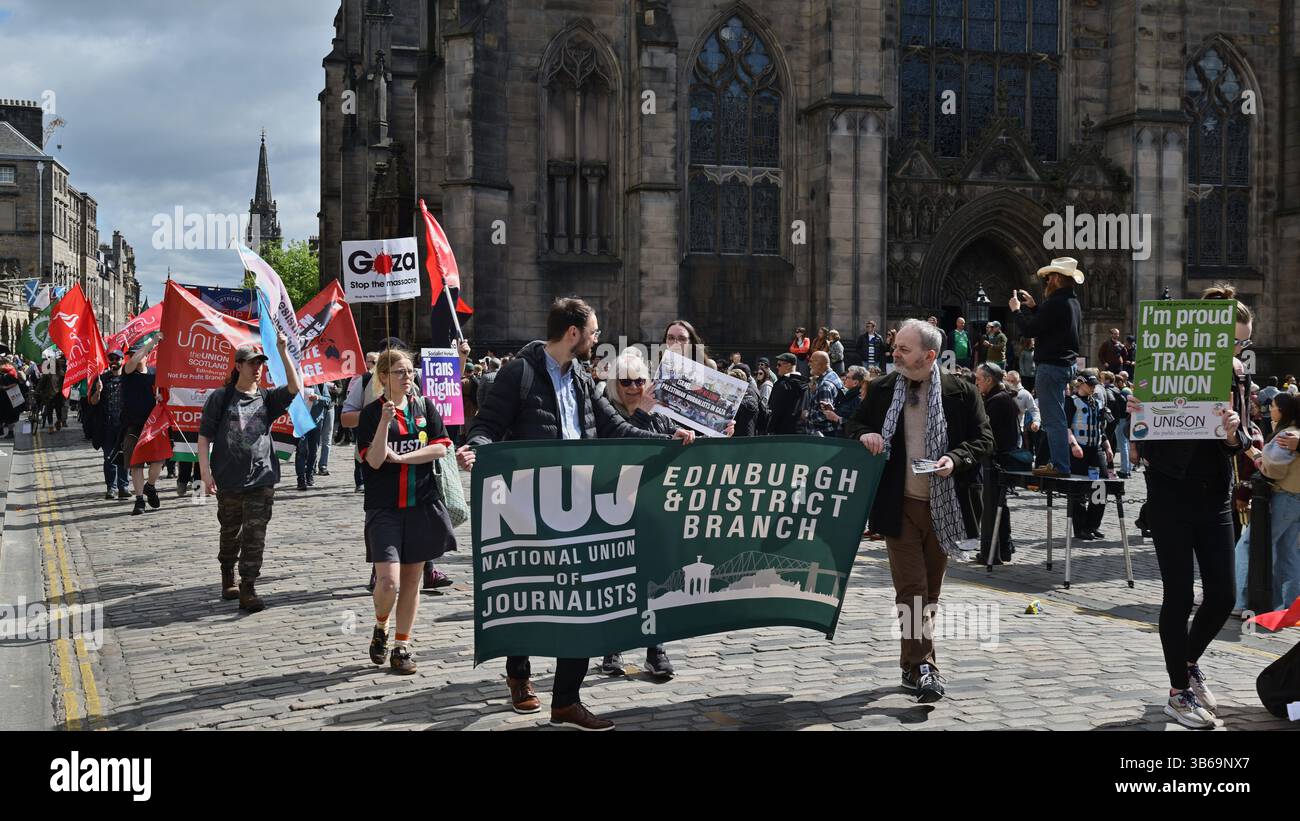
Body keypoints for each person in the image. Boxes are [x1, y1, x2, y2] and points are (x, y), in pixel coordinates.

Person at [465, 297, 695, 731]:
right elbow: (486, 427)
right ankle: (519, 674)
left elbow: (613, 428)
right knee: (530, 594)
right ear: (573, 333)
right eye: (593, 332)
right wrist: (477, 450)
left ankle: (566, 702)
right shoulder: (520, 373)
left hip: (581, 504)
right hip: (530, 504)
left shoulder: (583, 379)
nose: (597, 338)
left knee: (583, 601)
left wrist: (662, 442)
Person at [846, 319, 993, 703]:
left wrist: (954, 458)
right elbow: (854, 423)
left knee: (930, 592)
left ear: (929, 356)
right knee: (912, 589)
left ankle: (910, 666)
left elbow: (984, 438)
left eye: (903, 349)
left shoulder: (961, 391)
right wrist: (864, 434)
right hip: (899, 505)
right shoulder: (881, 389)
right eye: (895, 346)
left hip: (945, 506)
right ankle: (925, 667)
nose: (894, 353)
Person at [1131, 285, 1251, 729]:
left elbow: (1244, 438)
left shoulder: (1237, 375)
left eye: (1244, 343)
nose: (1238, 351)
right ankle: (1178, 693)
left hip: (1215, 492)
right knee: (1179, 596)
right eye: (1234, 341)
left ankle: (1188, 663)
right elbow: (1141, 435)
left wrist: (1234, 432)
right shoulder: (1163, 365)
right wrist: (1138, 413)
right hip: (1170, 491)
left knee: (1223, 595)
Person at [358, 347, 464, 675]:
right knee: (388, 582)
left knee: (412, 581)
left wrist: (404, 458)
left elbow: (440, 447)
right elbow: (375, 460)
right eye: (400, 372)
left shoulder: (424, 407)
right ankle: (381, 625)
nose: (408, 377)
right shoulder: (371, 413)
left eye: (410, 371)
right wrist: (384, 423)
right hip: (385, 508)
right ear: (384, 377)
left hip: (421, 505)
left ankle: (401, 646)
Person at [197, 338, 303, 613]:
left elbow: (295, 387)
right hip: (229, 478)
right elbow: (204, 436)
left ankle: (248, 586)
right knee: (230, 532)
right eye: (251, 363)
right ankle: (227, 573)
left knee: (255, 535)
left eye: (260, 364)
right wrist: (205, 473)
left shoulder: (267, 398)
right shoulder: (221, 398)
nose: (257, 368)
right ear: (238, 366)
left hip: (261, 477)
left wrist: (283, 351)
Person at [1009, 256, 1083, 478]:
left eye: (1049, 277)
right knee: (1056, 416)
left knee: (1053, 419)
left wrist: (1016, 311)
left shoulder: (1055, 303)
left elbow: (1030, 330)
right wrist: (1034, 307)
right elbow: (1051, 324)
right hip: (1066, 365)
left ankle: (1060, 466)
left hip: (1051, 366)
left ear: (1058, 278)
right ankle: (1059, 463)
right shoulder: (1072, 302)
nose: (1047, 281)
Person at [1258, 392, 1300, 612]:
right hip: (1293, 495)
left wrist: (1259, 459)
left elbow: (1274, 468)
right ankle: (1287, 605)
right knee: (1288, 552)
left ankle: (1244, 600)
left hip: (1288, 495)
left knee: (1253, 545)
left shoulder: (1289, 435)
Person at [975, 363, 1020, 563]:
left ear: (988, 380)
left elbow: (985, 432)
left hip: (995, 461)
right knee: (999, 505)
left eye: (979, 379)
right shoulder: (1001, 398)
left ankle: (991, 553)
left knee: (992, 507)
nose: (976, 382)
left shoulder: (998, 400)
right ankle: (1002, 549)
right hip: (999, 459)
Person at [120, 336, 165, 516]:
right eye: (131, 354)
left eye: (137, 353)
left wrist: (161, 397)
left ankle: (150, 486)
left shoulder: (155, 373)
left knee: (158, 462)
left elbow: (164, 392)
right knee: (136, 465)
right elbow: (133, 362)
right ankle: (139, 500)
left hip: (153, 426)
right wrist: (152, 342)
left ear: (147, 356)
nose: (134, 357)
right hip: (133, 426)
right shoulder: (128, 371)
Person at [1067, 374, 1108, 540]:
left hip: (1095, 448)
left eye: (1094, 385)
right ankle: (1080, 528)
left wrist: (1107, 446)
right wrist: (1073, 445)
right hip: (1079, 448)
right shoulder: (1071, 401)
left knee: (1102, 485)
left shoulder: (1097, 402)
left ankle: (1092, 524)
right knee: (1078, 489)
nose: (1093, 387)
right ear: (1081, 383)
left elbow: (1100, 427)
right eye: (1090, 384)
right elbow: (1065, 426)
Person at [88, 349, 132, 499]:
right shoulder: (102, 379)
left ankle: (123, 486)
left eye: (116, 359)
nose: (114, 361)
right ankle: (111, 488)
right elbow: (93, 402)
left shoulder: (128, 379)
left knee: (124, 456)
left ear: (122, 360)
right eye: (111, 359)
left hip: (124, 425)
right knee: (109, 458)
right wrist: (98, 392)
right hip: (107, 425)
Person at [294, 382, 328, 491]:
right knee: (301, 451)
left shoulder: (320, 382)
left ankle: (309, 475)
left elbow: (328, 399)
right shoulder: (297, 380)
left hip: (316, 422)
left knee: (313, 451)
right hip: (301, 421)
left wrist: (318, 397)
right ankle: (301, 479)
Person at [766, 352, 809, 435]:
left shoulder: (782, 384)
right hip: (801, 431)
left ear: (789, 365)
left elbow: (776, 409)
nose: (777, 367)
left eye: (779, 365)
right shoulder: (806, 385)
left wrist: (770, 428)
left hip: (782, 431)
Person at [803, 351, 841, 436]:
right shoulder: (833, 376)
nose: (809, 364)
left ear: (820, 364)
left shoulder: (825, 385)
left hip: (823, 435)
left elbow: (825, 414)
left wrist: (806, 415)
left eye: (811, 361)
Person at [822, 365, 868, 437]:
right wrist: (832, 410)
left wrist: (836, 418)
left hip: (849, 440)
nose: (844, 379)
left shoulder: (859, 399)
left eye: (848, 378)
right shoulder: (848, 395)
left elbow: (857, 424)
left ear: (855, 383)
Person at [1005, 370, 1039, 453]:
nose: (1010, 383)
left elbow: (1034, 410)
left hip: (1017, 430)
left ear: (1019, 380)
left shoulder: (1025, 394)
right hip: (1002, 430)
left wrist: (1036, 422)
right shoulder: (1002, 392)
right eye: (1008, 380)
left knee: (1015, 453)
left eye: (1013, 381)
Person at [1112, 373, 1134, 478]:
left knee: (1123, 445)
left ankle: (1125, 470)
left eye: (1115, 384)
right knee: (1126, 444)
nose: (1114, 386)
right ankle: (1128, 468)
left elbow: (1122, 407)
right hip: (1126, 419)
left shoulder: (1124, 391)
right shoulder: (1127, 390)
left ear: (1120, 382)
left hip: (1122, 419)